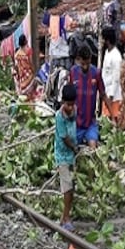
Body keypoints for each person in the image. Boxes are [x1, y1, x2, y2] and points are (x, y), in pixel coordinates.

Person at [54, 84, 78, 231]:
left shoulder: (74, 111)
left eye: (72, 104)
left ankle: (66, 216)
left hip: (72, 155)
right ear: (63, 102)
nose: (70, 107)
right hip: (62, 155)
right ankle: (65, 218)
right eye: (67, 104)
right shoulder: (59, 117)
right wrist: (75, 148)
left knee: (72, 186)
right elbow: (65, 139)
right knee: (67, 187)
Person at [69, 48, 103, 148]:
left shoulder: (96, 73)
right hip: (76, 122)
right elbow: (69, 95)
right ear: (79, 60)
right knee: (73, 148)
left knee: (93, 148)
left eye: (87, 64)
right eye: (83, 64)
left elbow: (103, 94)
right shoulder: (73, 72)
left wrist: (113, 118)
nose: (85, 67)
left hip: (90, 122)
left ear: (90, 59)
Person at [101, 29, 124, 126]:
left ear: (107, 40)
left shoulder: (116, 56)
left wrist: (110, 96)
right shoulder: (107, 52)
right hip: (106, 92)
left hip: (112, 95)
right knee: (106, 121)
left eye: (103, 39)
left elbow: (116, 77)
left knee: (113, 120)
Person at [14, 34, 37, 100]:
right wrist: (33, 71)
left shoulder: (17, 54)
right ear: (25, 41)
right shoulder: (28, 51)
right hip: (28, 74)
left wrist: (18, 76)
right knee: (31, 92)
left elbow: (16, 66)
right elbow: (30, 62)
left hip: (22, 76)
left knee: (24, 94)